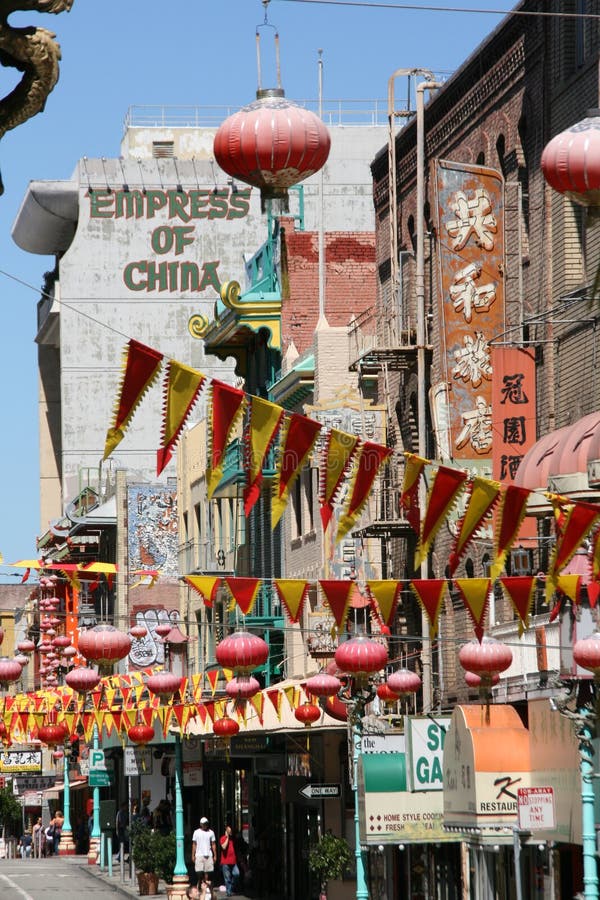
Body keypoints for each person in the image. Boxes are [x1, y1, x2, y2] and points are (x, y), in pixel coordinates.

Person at [191, 816, 216, 893]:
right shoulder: (196, 832)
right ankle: (200, 883)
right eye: (203, 824)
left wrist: (215, 855)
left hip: (208, 855)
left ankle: (206, 888)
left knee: (207, 873)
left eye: (206, 824)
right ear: (201, 824)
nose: (205, 825)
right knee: (199, 872)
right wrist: (193, 855)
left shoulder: (211, 832)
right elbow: (194, 844)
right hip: (199, 855)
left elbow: (213, 844)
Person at [219, 824, 238, 897]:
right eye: (228, 831)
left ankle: (231, 887)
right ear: (226, 831)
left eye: (230, 831)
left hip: (233, 861)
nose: (230, 832)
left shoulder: (233, 839)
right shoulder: (223, 838)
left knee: (236, 874)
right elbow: (224, 847)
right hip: (225, 862)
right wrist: (227, 837)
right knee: (227, 878)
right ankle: (228, 892)